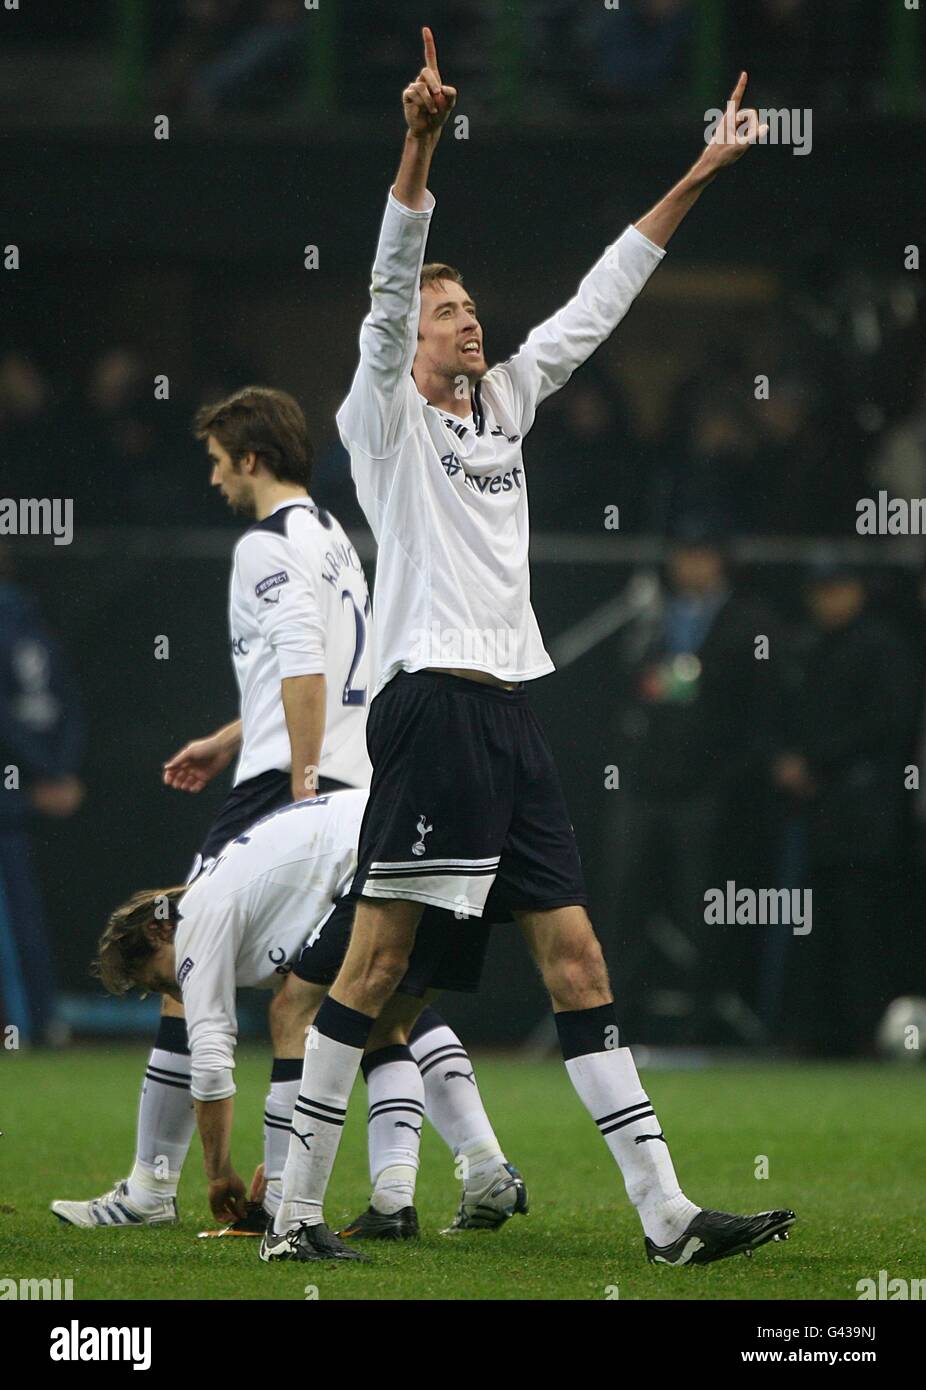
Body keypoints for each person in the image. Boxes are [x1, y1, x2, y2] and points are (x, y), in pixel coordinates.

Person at [261, 29, 795, 1267]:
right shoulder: (380, 415)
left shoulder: (503, 400)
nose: (466, 322)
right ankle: (292, 1215)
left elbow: (601, 297)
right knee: (382, 961)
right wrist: (419, 142)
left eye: (468, 309)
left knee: (573, 950)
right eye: (449, 314)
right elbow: (389, 284)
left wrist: (701, 169)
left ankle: (665, 1216)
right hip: (431, 705)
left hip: (508, 716)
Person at [58, 792, 523, 1242]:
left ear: (160, 929)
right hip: (455, 848)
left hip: (385, 848)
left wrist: (219, 1173)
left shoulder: (198, 915)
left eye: (158, 980)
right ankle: (394, 1203)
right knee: (386, 1027)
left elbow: (212, 1067)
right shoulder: (246, 895)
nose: (170, 991)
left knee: (291, 1010)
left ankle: (283, 1200)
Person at [0, 547, 84, 1045]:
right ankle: (39, 1020)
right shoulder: (34, 619)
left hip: (17, 789)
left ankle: (27, 1020)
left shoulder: (23, 619)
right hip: (33, 783)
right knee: (27, 908)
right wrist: (58, 770)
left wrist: (46, 774)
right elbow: (69, 705)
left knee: (22, 912)